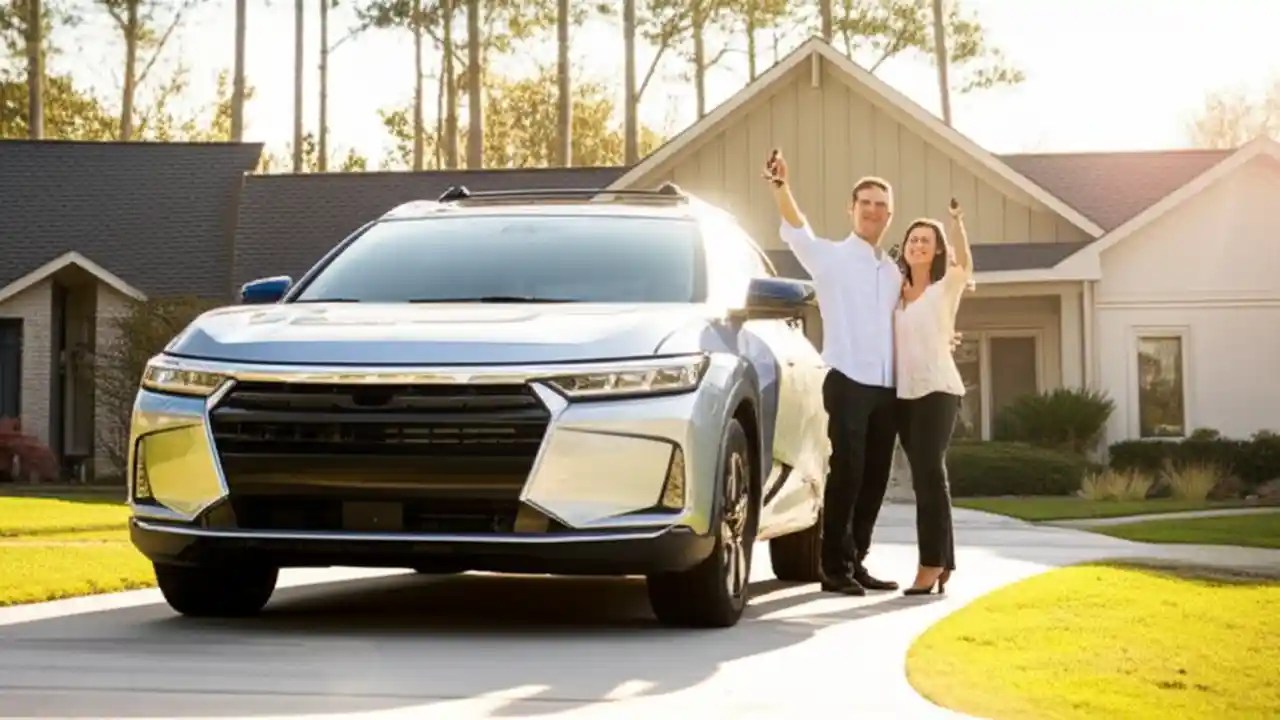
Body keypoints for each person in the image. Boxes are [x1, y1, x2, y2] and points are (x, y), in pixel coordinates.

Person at [763, 148, 901, 596]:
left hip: (887, 387)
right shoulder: (830, 258)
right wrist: (782, 186)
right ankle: (833, 567)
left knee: (876, 477)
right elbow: (796, 229)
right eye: (866, 203)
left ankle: (857, 559)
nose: (873, 211)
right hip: (847, 380)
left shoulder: (893, 271)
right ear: (852, 209)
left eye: (881, 205)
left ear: (889, 215)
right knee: (848, 472)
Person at [892, 199, 974, 595]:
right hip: (904, 395)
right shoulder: (895, 294)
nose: (918, 245)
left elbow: (965, 267)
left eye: (926, 240)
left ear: (937, 249)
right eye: (913, 239)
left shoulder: (944, 290)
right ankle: (944, 561)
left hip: (938, 390)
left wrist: (956, 222)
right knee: (926, 478)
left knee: (929, 473)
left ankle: (930, 563)